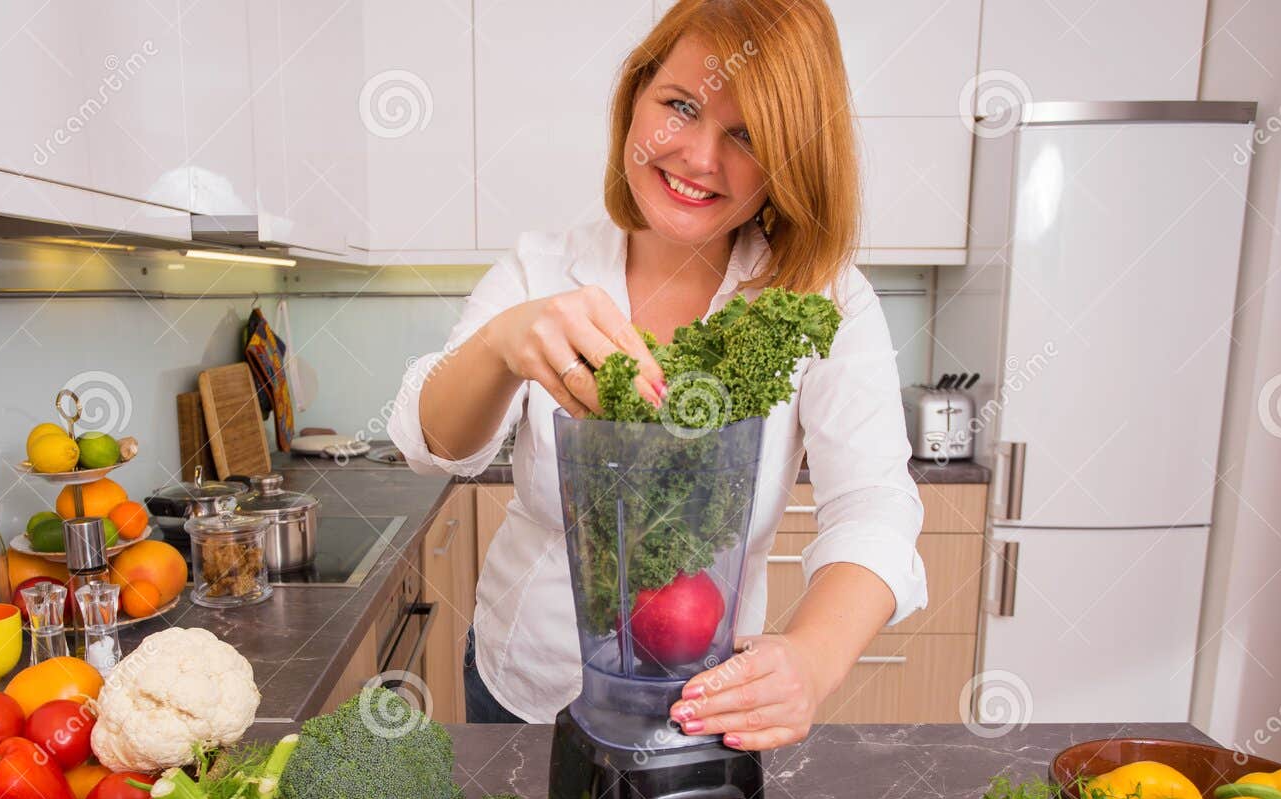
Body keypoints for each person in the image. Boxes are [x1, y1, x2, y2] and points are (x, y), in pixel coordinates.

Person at [388, 0, 926, 750]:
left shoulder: (823, 298)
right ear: (635, 97)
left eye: (747, 136)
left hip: (704, 704)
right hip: (525, 691)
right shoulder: (542, 267)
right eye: (680, 106)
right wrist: (503, 346)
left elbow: (874, 506)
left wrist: (811, 657)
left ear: (791, 162)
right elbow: (431, 443)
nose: (699, 158)